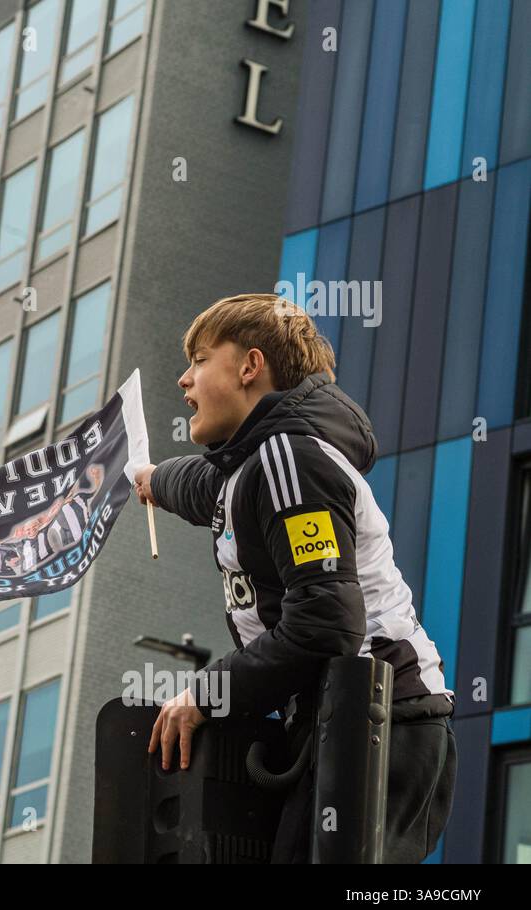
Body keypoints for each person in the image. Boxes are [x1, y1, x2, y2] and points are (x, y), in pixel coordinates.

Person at [133, 292, 455, 864]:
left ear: (250, 366)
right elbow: (202, 486)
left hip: (380, 721)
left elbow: (324, 623)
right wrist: (152, 478)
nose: (184, 380)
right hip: (344, 719)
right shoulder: (254, 467)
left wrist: (205, 695)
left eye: (200, 360)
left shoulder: (290, 460)